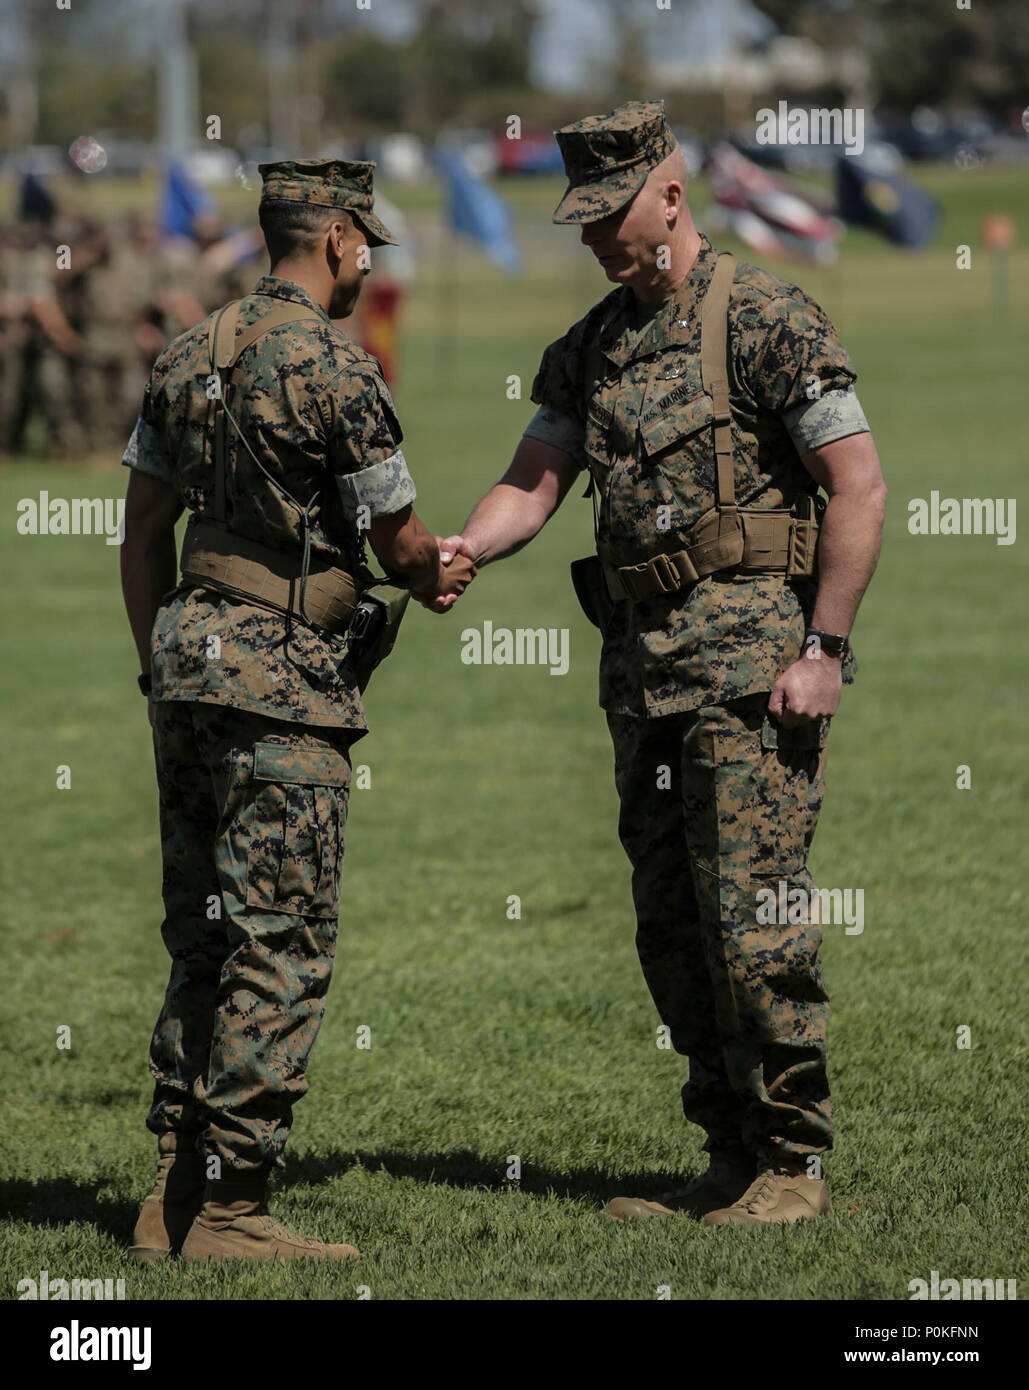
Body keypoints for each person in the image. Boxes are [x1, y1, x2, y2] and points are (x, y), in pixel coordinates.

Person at [439, 101, 886, 1227]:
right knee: (672, 930)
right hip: (642, 681)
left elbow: (861, 486)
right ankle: (730, 1159)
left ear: (672, 195)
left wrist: (825, 647)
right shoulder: (590, 346)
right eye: (580, 218)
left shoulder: (766, 314)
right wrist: (462, 548)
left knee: (754, 924)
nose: (593, 236)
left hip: (752, 678)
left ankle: (794, 1164)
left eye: (610, 214)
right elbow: (533, 479)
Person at [120, 158, 474, 1264]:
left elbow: (140, 537)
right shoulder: (335, 366)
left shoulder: (185, 353)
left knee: (204, 936)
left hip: (184, 669)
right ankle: (231, 1212)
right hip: (281, 686)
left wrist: (160, 671)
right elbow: (399, 538)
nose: (370, 261)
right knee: (281, 938)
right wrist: (434, 573)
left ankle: (169, 1196)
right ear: (335, 240)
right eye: (366, 241)